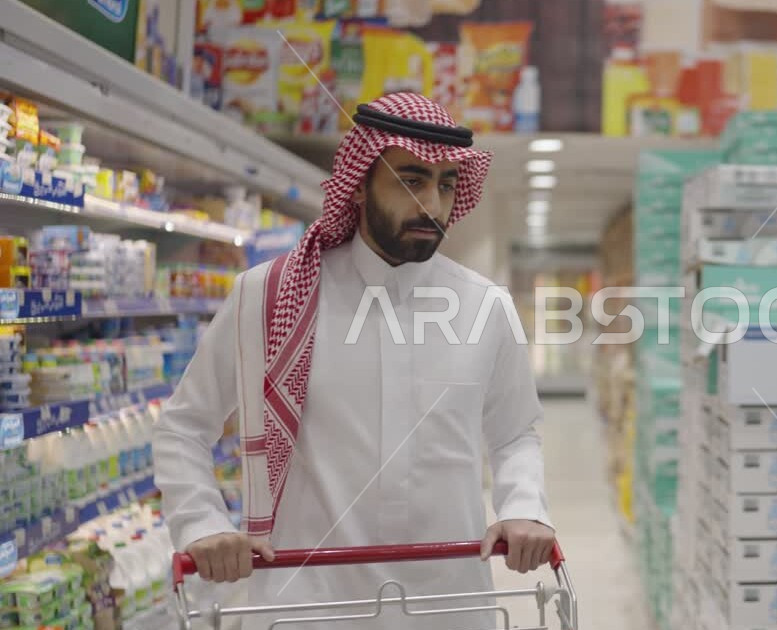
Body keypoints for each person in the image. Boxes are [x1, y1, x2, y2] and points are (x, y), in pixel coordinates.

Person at [153, 92, 555, 630]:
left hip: (448, 606)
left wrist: (523, 506)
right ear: (361, 183)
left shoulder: (486, 306)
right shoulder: (268, 298)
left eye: (446, 184)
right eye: (410, 180)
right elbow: (184, 426)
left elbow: (514, 433)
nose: (433, 206)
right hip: (307, 608)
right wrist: (199, 521)